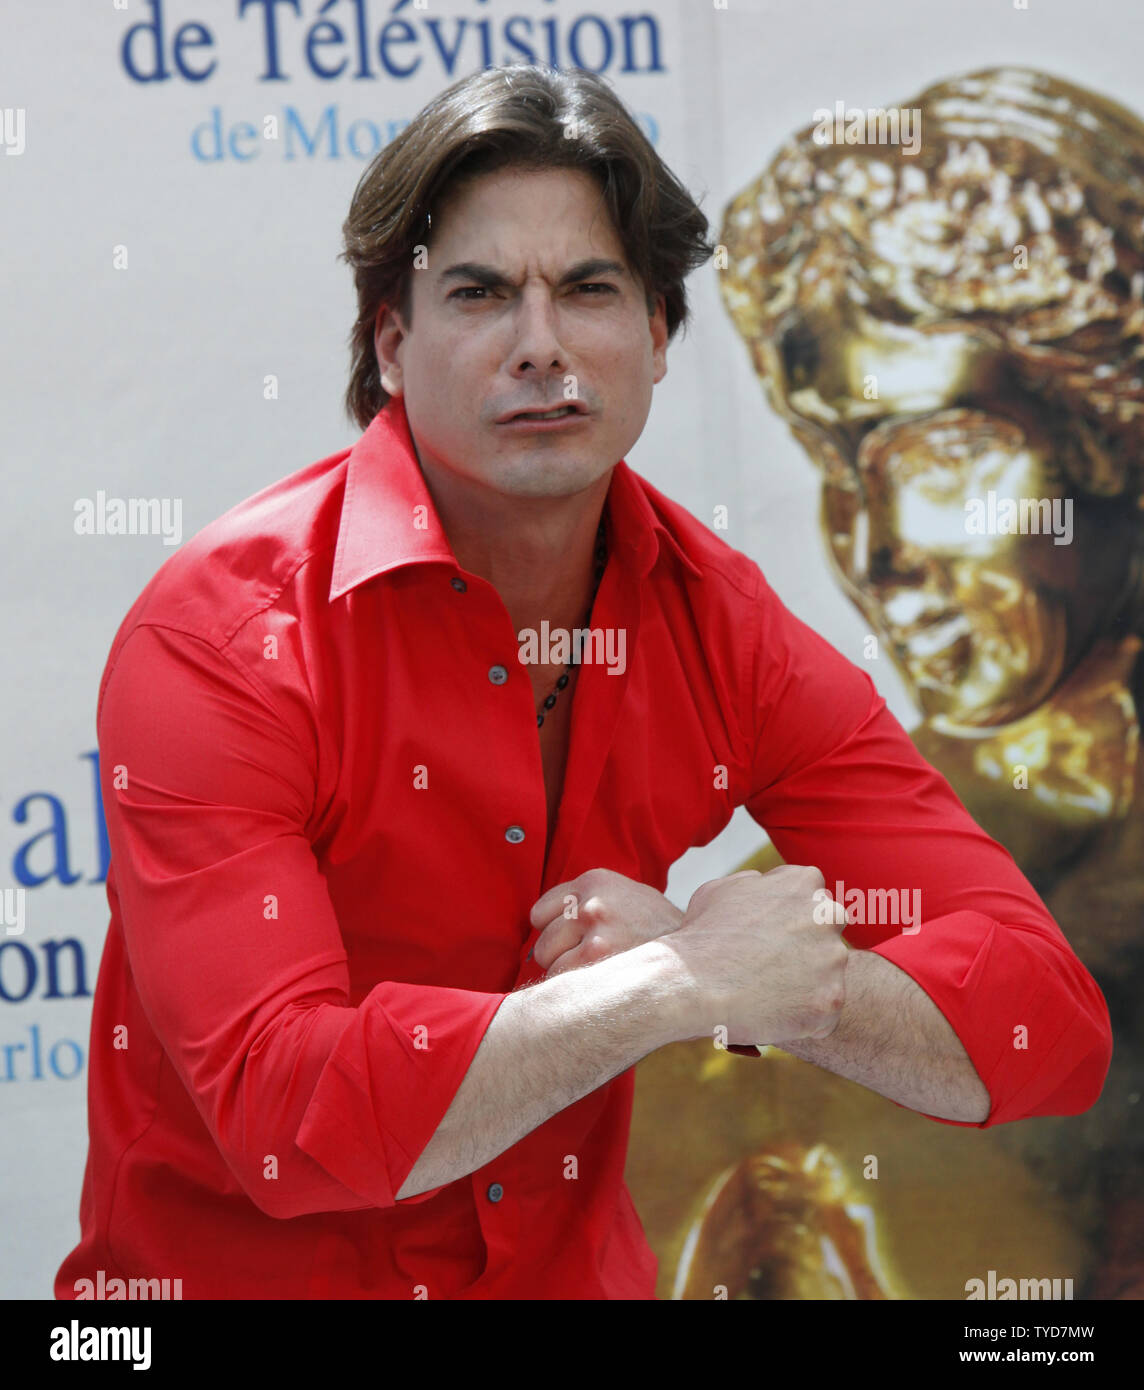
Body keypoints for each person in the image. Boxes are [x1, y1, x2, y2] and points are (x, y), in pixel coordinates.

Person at [55, 63, 1111, 1302]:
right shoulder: (226, 638)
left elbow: (1049, 1028)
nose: (541, 345)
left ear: (660, 335)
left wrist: (796, 993)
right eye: (481, 293)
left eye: (590, 289)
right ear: (393, 342)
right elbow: (287, 1119)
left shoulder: (723, 627)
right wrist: (664, 990)